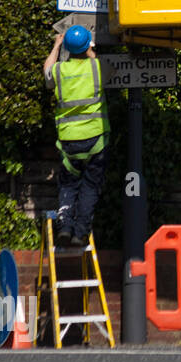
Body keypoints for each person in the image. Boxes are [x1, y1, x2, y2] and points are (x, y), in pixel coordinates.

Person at [44, 26, 109, 247]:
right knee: (90, 186)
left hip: (69, 141)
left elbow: (46, 72)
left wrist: (56, 45)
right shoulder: (97, 67)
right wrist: (91, 50)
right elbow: (107, 69)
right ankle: (80, 232)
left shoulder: (60, 71)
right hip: (95, 140)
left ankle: (64, 227)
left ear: (68, 48)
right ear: (87, 46)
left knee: (69, 184)